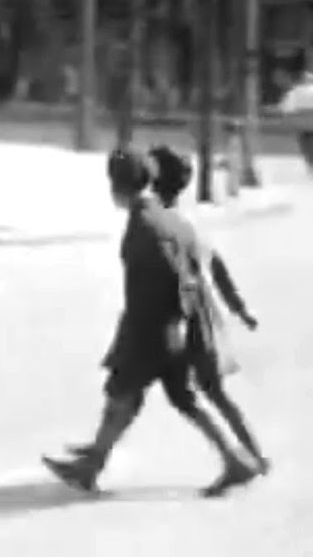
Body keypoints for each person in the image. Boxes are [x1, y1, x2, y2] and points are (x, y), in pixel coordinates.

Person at [41, 147, 265, 498]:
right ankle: (233, 459)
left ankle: (92, 465)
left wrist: (172, 321)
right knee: (176, 398)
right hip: (165, 326)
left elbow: (174, 274)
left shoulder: (145, 225)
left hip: (151, 329)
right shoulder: (165, 217)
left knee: (124, 394)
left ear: (119, 186)